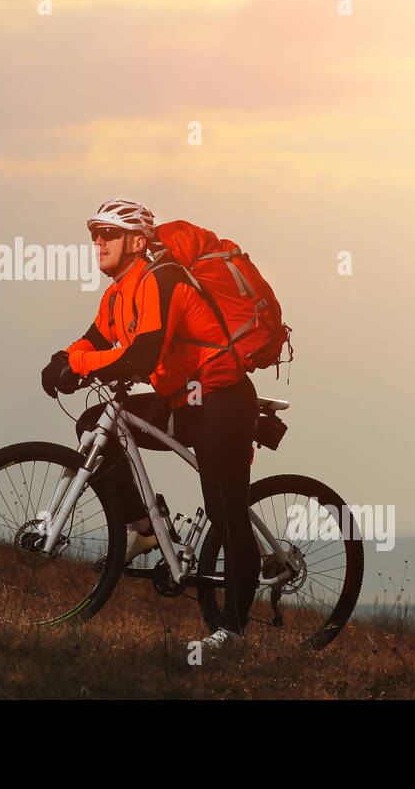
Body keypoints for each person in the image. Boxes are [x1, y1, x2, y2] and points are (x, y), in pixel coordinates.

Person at [39, 198, 261, 653]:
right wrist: (62, 358)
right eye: (94, 233)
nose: (98, 241)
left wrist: (80, 366)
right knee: (94, 423)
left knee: (227, 514)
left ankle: (233, 632)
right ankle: (143, 527)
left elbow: (142, 356)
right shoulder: (120, 291)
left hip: (222, 400)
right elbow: (97, 338)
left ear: (137, 241)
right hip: (182, 398)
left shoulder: (164, 279)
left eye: (108, 234)